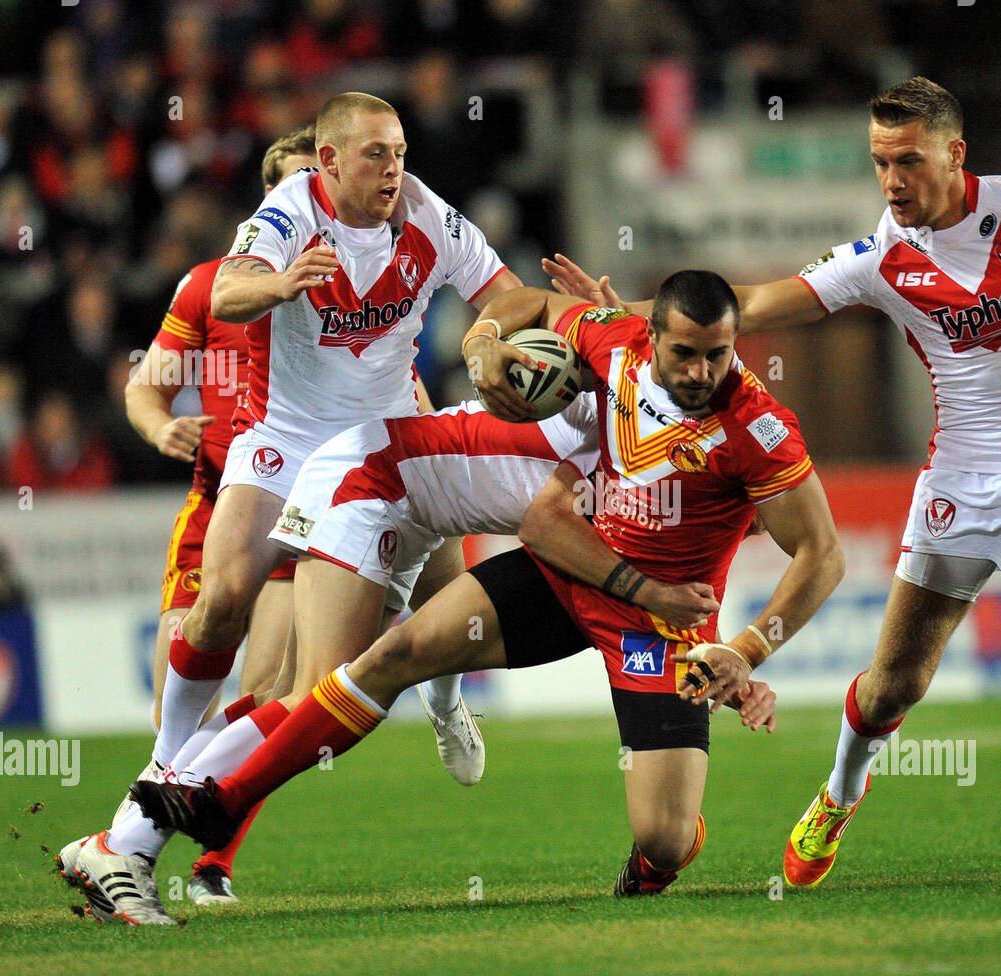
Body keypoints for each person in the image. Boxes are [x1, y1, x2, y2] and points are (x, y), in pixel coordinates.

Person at [533, 77, 1001, 884]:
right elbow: (749, 301)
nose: (891, 180)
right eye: (880, 162)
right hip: (963, 477)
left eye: (907, 161)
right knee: (893, 685)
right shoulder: (883, 256)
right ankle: (839, 795)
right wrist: (634, 316)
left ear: (955, 155)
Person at [131, 271, 844, 900]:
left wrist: (748, 649)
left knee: (663, 835)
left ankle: (656, 863)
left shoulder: (759, 430)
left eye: (717, 353)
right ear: (650, 334)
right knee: (393, 653)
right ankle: (226, 798)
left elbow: (821, 555)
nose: (699, 370)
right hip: (572, 574)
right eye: (684, 352)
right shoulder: (611, 340)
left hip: (656, 631)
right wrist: (484, 345)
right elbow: (530, 302)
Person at [151, 90, 524, 813]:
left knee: (448, 594)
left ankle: (446, 704)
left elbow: (508, 292)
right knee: (223, 598)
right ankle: (166, 761)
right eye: (375, 154)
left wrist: (483, 335)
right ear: (327, 160)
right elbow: (225, 294)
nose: (394, 170)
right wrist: (279, 282)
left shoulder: (427, 213)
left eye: (401, 152)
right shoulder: (291, 209)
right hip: (286, 439)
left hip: (382, 442)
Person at [69, 127, 318, 908]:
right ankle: (128, 842)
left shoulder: (351, 294)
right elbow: (147, 384)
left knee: (276, 692)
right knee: (180, 721)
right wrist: (158, 426)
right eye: (289, 186)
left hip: (297, 519)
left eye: (317, 183)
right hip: (215, 508)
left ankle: (189, 859)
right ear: (265, 203)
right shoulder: (210, 286)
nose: (306, 201)